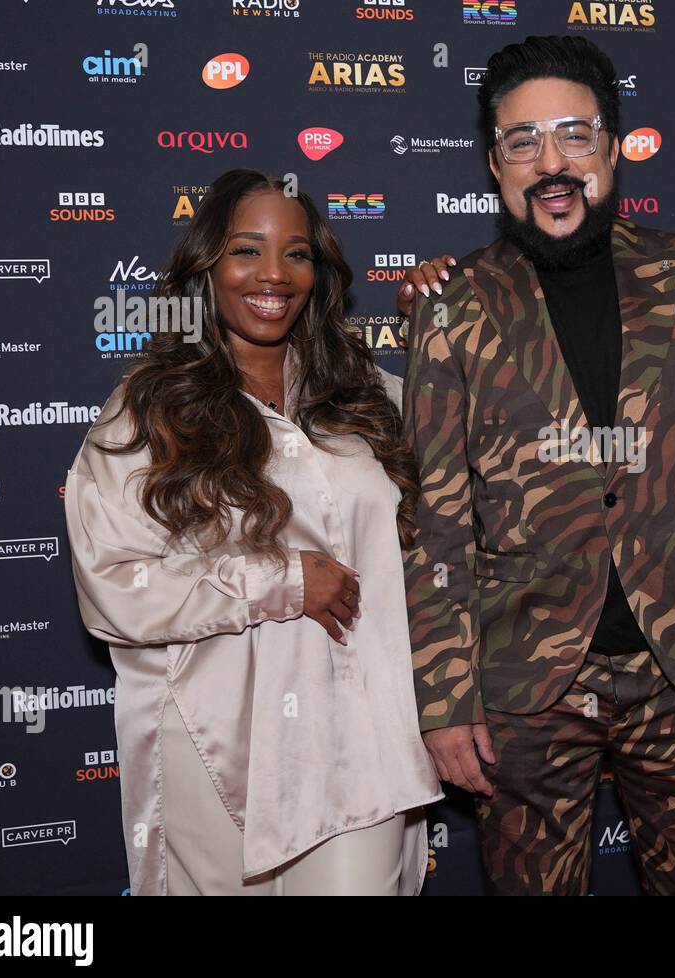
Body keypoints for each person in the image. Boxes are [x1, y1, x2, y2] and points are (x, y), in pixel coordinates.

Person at [398, 35, 675, 895]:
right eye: (523, 141)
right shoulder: (454, 306)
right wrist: (443, 698)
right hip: (526, 687)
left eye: (574, 135)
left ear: (614, 149)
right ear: (494, 164)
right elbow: (433, 521)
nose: (550, 162)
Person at [64, 169, 442, 895]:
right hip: (215, 741)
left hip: (356, 736)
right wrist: (282, 580)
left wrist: (445, 322)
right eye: (247, 249)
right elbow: (113, 587)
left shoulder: (365, 394)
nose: (273, 274)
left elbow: (478, 437)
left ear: (319, 273)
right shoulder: (149, 409)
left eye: (296, 254)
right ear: (208, 265)